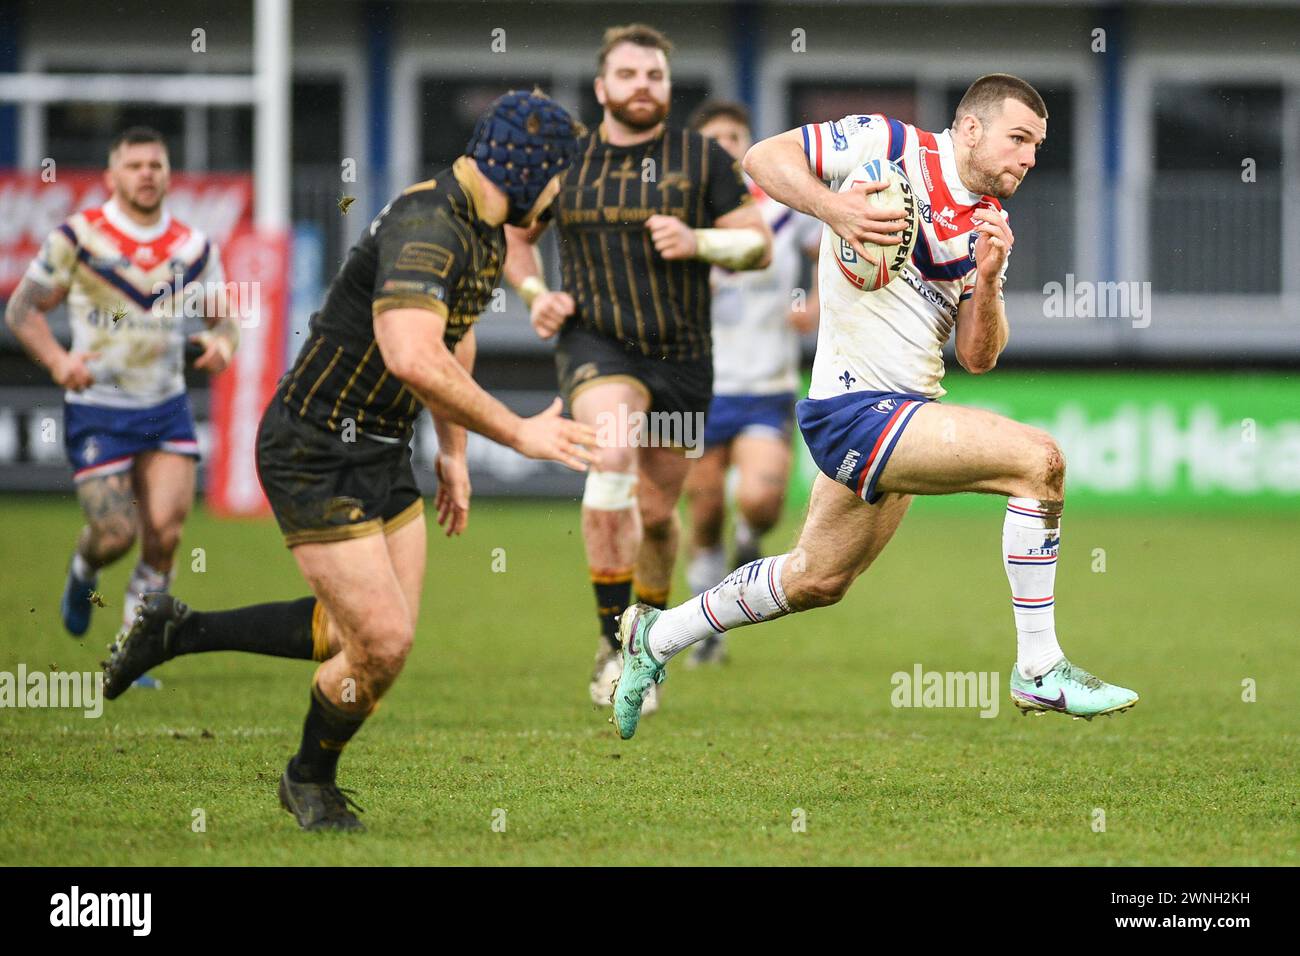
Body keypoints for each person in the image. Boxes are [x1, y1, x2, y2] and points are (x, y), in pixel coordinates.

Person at [103, 91, 597, 831]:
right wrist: (519, 435)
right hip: (314, 447)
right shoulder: (430, 225)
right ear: (528, 169)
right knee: (385, 640)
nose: (563, 194)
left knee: (361, 642)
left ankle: (179, 630)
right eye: (561, 176)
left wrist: (454, 454)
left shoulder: (485, 227)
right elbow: (409, 353)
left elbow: (452, 336)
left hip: (382, 447)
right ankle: (308, 781)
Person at [609, 74, 1140, 739]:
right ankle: (1039, 666)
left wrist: (989, 278)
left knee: (816, 579)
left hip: (904, 407)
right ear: (971, 129)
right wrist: (838, 210)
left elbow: (978, 357)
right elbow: (762, 159)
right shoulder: (886, 144)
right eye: (1019, 139)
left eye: (1037, 144)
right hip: (856, 408)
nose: (1029, 157)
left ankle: (656, 637)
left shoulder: (987, 223)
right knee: (1040, 462)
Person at [503, 25, 771, 711]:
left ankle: (644, 645)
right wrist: (537, 295)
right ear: (602, 88)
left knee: (656, 515)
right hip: (598, 346)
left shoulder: (701, 158)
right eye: (627, 75)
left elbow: (758, 244)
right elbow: (514, 238)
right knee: (611, 452)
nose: (641, 86)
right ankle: (608, 645)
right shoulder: (564, 161)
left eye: (653, 75)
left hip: (681, 357)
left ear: (667, 86)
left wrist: (699, 239)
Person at [4, 126, 236, 690]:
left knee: (165, 532)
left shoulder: (193, 247)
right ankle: (84, 570)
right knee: (116, 534)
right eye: (134, 165)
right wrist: (60, 364)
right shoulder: (78, 238)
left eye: (155, 164)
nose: (146, 173)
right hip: (99, 408)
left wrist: (223, 345)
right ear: (111, 176)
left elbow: (222, 318)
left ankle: (130, 651)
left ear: (167, 173)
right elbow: (21, 310)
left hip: (165, 407)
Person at [682, 100, 822, 667]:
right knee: (705, 509)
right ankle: (705, 630)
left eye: (734, 136)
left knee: (761, 499)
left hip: (766, 380)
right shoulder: (683, 214)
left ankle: (751, 535)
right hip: (700, 384)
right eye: (712, 138)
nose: (724, 146)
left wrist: (812, 304)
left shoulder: (784, 210)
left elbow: (822, 254)